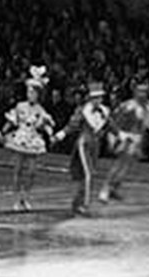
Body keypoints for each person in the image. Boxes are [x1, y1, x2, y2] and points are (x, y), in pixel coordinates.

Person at [0, 67, 54, 213]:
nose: (31, 94)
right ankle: (16, 199)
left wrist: (51, 134)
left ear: (38, 95)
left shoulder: (41, 110)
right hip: (20, 138)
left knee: (31, 171)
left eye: (34, 92)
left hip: (33, 140)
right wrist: (2, 131)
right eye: (29, 92)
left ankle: (26, 197)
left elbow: (47, 125)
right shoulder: (20, 106)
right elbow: (11, 120)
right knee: (18, 169)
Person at [103, 82, 149, 203]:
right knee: (119, 164)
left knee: (127, 166)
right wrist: (114, 138)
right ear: (135, 92)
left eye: (145, 91)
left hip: (138, 139)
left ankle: (114, 189)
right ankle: (105, 189)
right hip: (125, 137)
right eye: (140, 91)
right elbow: (114, 121)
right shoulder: (127, 105)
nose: (142, 94)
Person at [52, 82, 109, 218]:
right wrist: (60, 135)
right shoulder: (83, 110)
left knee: (87, 175)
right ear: (90, 98)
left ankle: (77, 202)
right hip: (84, 144)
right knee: (88, 174)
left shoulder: (104, 111)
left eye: (100, 98)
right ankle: (85, 205)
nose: (98, 100)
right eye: (95, 98)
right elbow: (72, 125)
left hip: (95, 146)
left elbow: (110, 126)